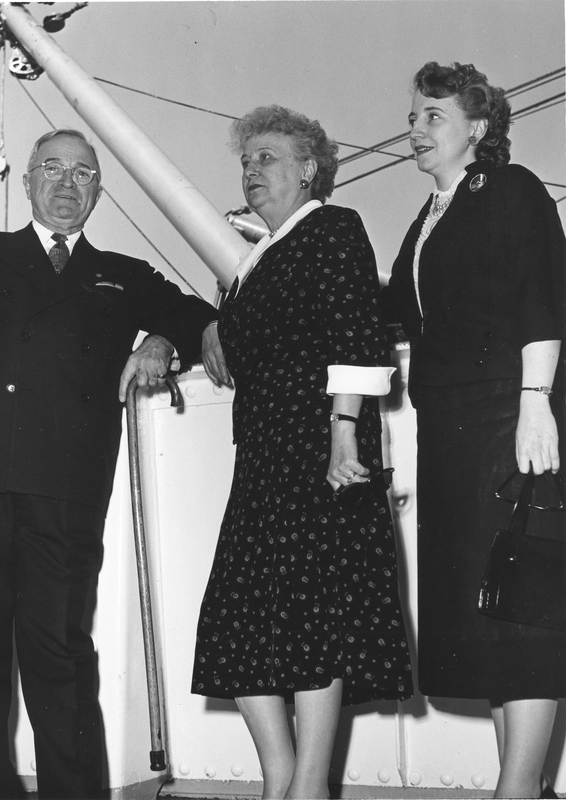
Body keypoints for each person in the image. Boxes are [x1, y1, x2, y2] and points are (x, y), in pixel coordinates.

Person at [0, 129, 220, 799]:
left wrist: (163, 343)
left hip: (64, 491)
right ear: (26, 184)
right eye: (52, 170)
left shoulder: (123, 274)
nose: (66, 184)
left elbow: (195, 311)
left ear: (97, 191)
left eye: (82, 173)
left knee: (59, 656)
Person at [194, 105, 413, 800]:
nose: (251, 170)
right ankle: (282, 776)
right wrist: (207, 320)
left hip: (319, 450)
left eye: (267, 157)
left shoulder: (332, 228)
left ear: (309, 169)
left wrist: (344, 430)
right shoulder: (258, 257)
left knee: (315, 618)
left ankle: (309, 784)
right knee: (245, 617)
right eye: (246, 160)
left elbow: (356, 330)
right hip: (261, 459)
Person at [384, 63, 565, 799]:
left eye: (434, 116)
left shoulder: (510, 190)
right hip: (452, 431)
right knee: (494, 614)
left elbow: (541, 293)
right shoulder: (430, 214)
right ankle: (521, 786)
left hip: (504, 418)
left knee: (523, 610)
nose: (416, 130)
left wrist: (535, 401)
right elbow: (391, 312)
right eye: (415, 115)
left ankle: (516, 792)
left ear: (478, 130)